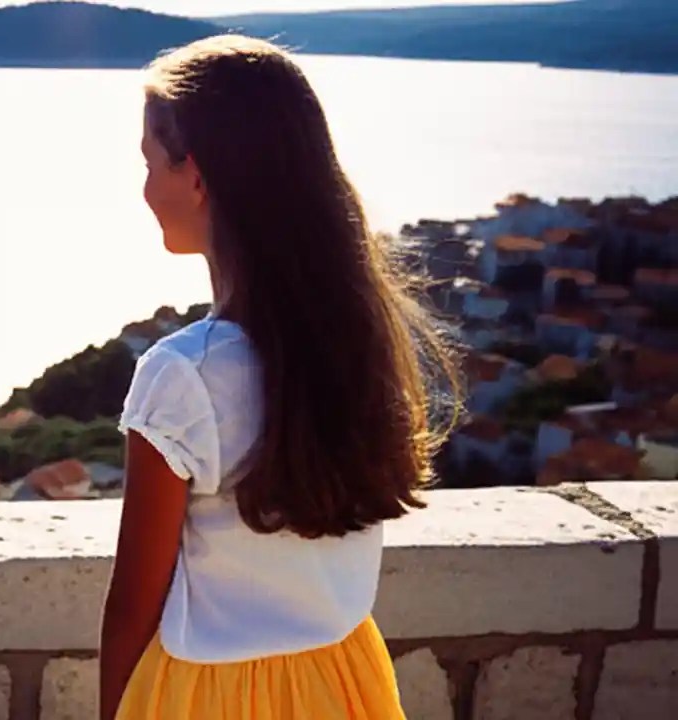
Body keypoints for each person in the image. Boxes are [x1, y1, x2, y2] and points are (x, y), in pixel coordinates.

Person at [99, 35, 457, 719]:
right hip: (344, 678)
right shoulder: (362, 343)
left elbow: (133, 608)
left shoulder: (181, 376)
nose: (145, 187)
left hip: (207, 697)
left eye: (150, 163)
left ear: (196, 177)